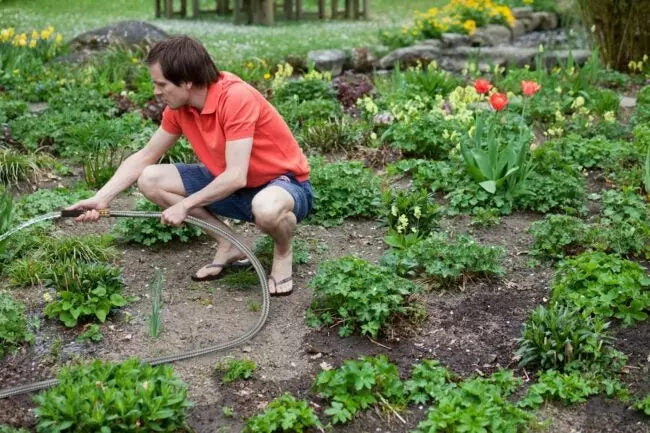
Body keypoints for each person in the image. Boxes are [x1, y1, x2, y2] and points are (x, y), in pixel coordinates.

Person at [67, 35, 312, 296]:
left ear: (186, 81)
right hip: (233, 186)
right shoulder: (179, 108)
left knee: (266, 207)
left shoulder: (236, 98)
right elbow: (145, 156)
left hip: (282, 186)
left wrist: (184, 205)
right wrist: (101, 198)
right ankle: (229, 244)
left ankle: (283, 251)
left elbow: (236, 176)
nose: (156, 91)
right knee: (150, 179)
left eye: (161, 84)